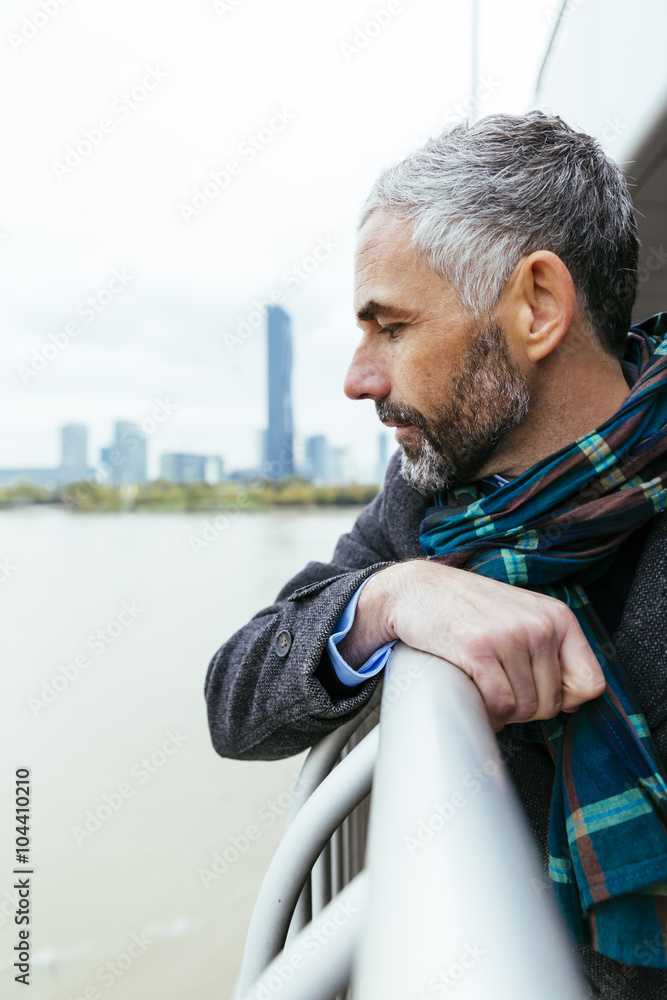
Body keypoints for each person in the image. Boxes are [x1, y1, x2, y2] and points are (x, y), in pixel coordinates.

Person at [205, 112, 667, 998]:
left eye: (392, 326)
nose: (358, 377)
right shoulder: (425, 503)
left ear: (536, 306)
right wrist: (389, 596)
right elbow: (235, 700)